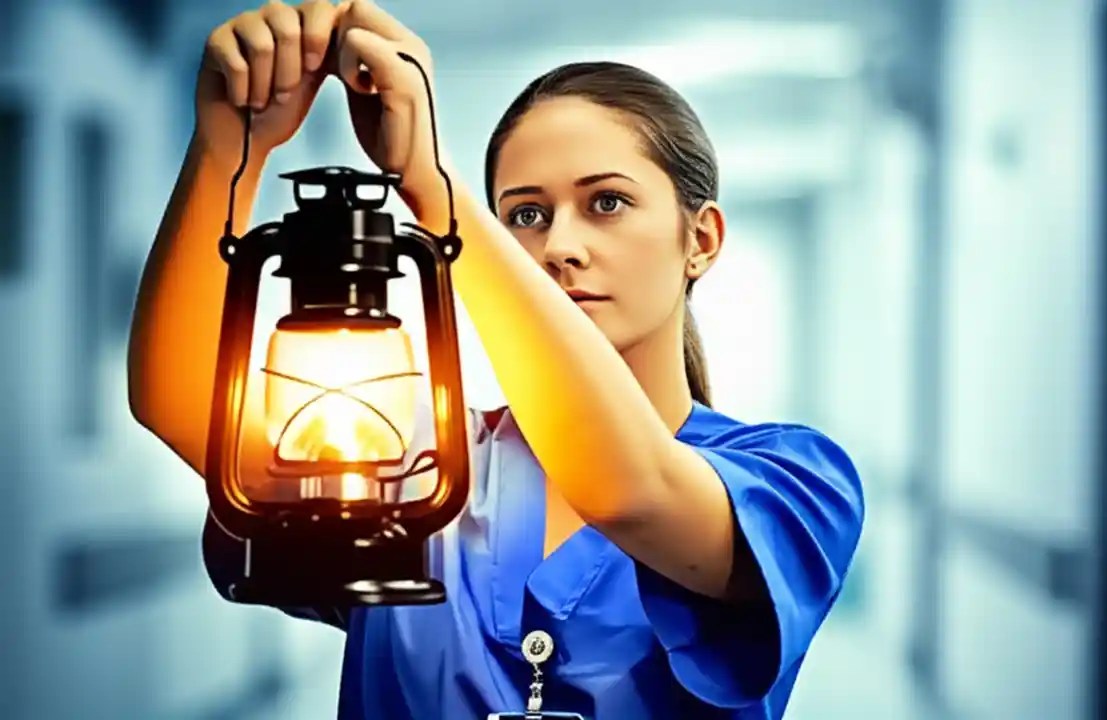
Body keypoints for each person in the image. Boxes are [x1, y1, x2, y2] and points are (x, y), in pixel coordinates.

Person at [127, 1, 866, 717]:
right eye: (526, 215)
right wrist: (226, 151)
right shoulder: (418, 468)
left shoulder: (796, 485)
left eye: (606, 203)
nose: (560, 247)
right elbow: (184, 405)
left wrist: (434, 191)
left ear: (700, 240)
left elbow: (630, 491)